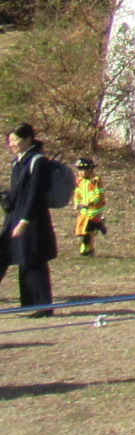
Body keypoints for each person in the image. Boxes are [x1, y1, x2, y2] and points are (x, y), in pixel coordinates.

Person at [4, 123, 56, 316]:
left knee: (33, 261)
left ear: (27, 140)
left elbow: (35, 193)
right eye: (10, 141)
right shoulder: (19, 161)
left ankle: (42, 306)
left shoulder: (38, 161)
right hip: (14, 216)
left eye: (15, 141)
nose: (12, 145)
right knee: (21, 259)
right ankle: (29, 304)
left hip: (32, 220)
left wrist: (25, 220)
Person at [72, 156, 106, 257]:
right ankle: (98, 225)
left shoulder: (95, 180)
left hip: (94, 210)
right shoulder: (80, 181)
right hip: (84, 210)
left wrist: (92, 202)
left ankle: (86, 250)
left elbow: (98, 194)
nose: (81, 172)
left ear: (91, 169)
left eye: (84, 169)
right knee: (82, 230)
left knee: (87, 229)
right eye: (79, 169)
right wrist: (76, 203)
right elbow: (77, 193)